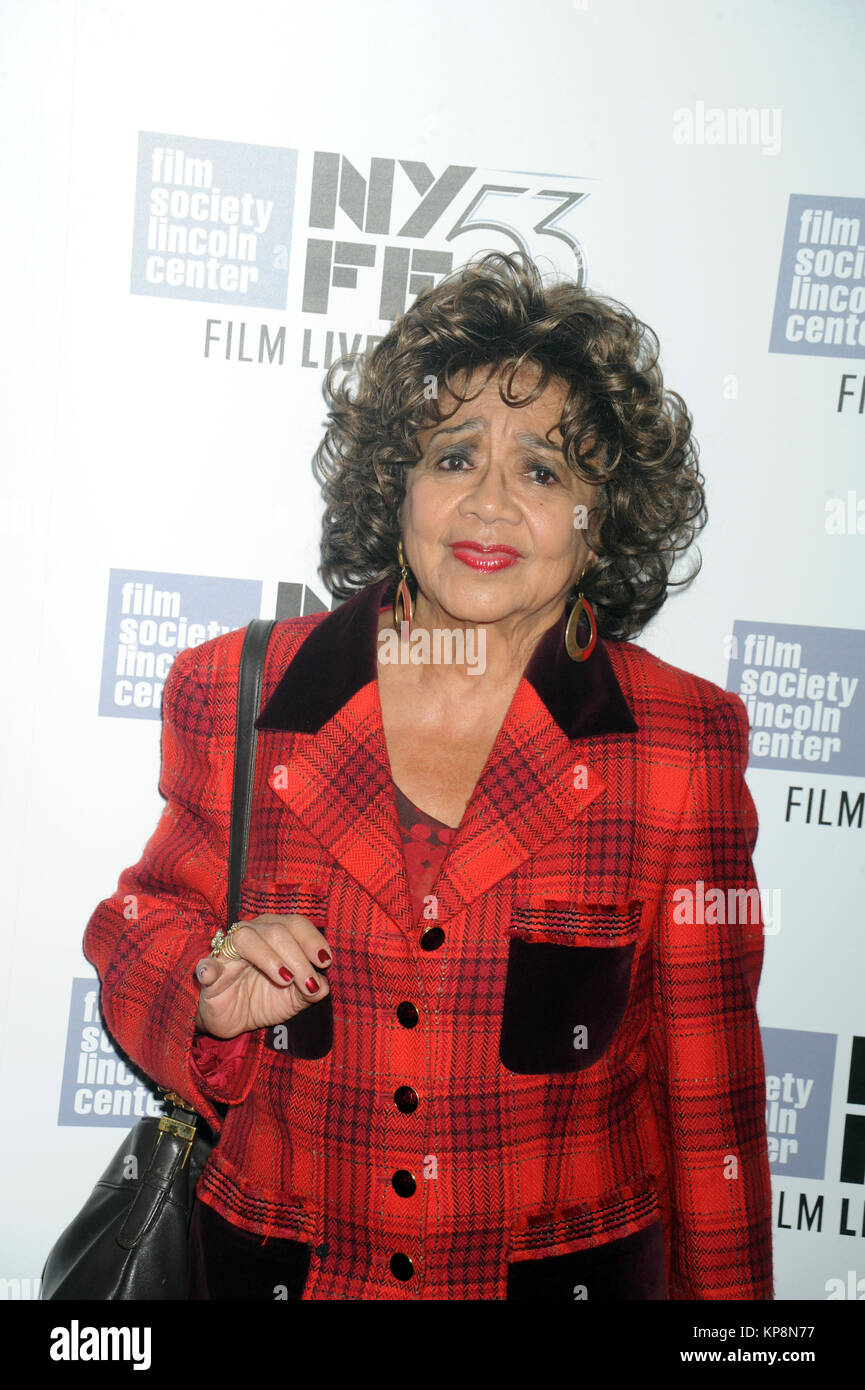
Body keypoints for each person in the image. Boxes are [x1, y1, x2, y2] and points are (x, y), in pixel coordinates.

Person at [83, 250, 774, 1300]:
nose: (490, 502)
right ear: (396, 487)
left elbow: (711, 1117)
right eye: (454, 457)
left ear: (601, 517)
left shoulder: (680, 744)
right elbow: (136, 932)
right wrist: (205, 992)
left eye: (543, 469)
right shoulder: (239, 691)